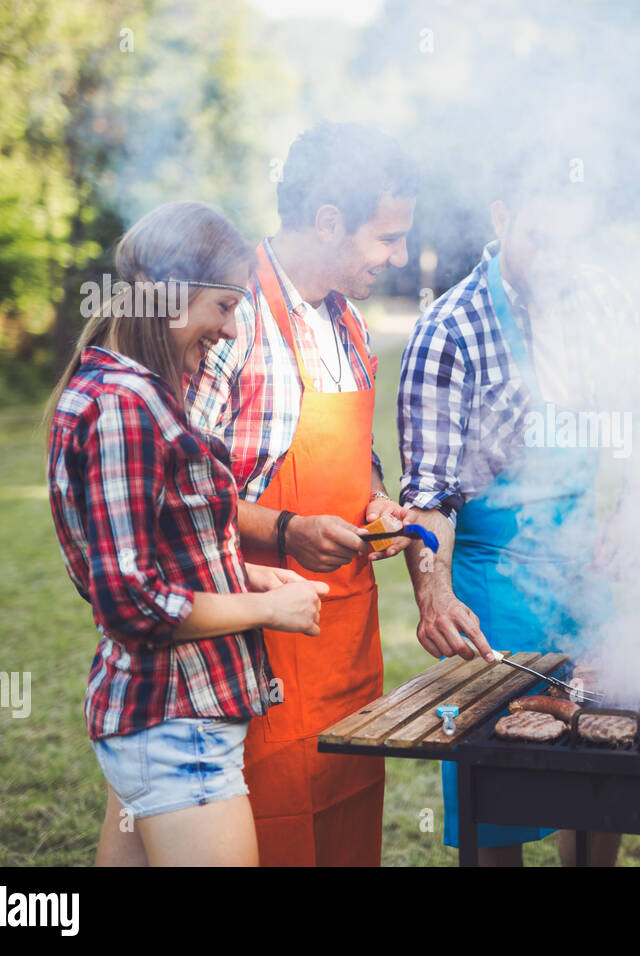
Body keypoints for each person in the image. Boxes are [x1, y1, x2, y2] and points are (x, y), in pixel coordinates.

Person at [45, 201, 328, 866]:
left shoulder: (124, 388)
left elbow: (147, 553)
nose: (232, 331)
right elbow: (132, 601)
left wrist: (246, 572)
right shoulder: (127, 408)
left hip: (153, 722)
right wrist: (267, 608)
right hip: (176, 726)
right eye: (225, 307)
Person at [186, 122, 417, 866]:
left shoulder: (349, 321)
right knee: (277, 826)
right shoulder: (231, 316)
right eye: (387, 238)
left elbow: (360, 454)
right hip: (259, 638)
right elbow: (177, 490)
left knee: (350, 819)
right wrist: (285, 531)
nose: (400, 258)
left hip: (349, 639)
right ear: (327, 221)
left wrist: (378, 500)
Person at [397, 165, 626, 866]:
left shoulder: (601, 303)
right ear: (502, 217)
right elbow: (430, 494)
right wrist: (432, 591)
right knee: (498, 803)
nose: (558, 262)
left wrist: (633, 513)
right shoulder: (449, 330)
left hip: (587, 573)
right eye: (542, 239)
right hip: (494, 592)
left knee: (598, 776)